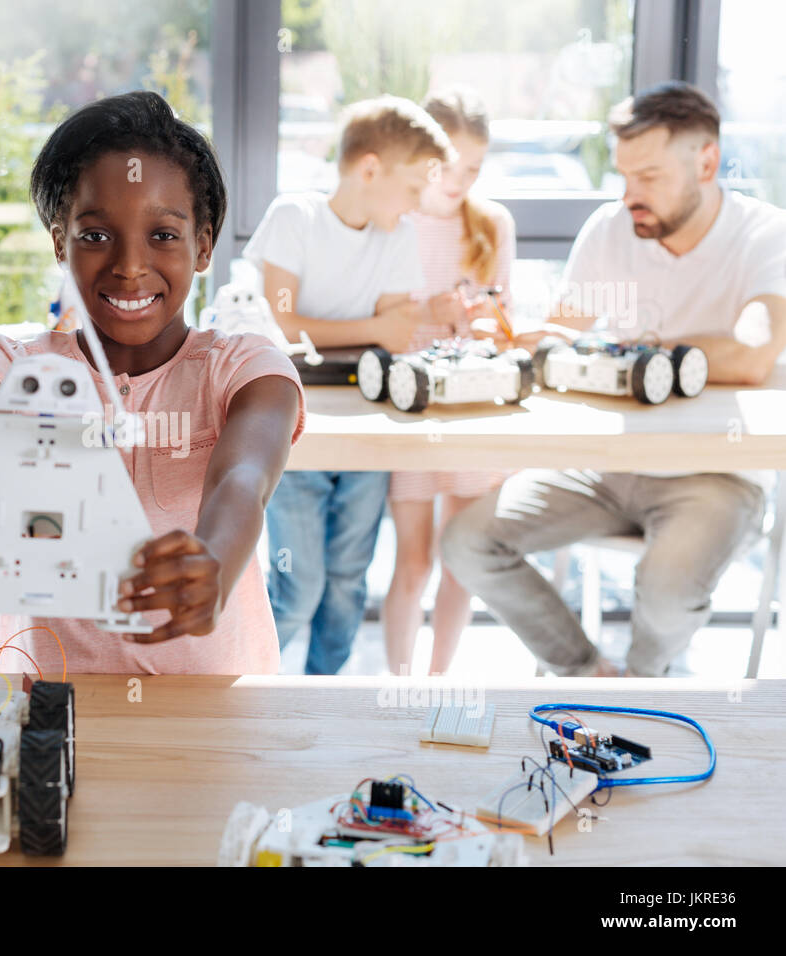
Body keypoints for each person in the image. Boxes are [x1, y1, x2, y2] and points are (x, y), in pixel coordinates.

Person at [0, 91, 304, 674]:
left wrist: (214, 558)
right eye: (95, 235)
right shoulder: (10, 363)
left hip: (217, 706)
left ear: (203, 246)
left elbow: (244, 480)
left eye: (163, 235)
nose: (130, 265)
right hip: (45, 706)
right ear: (60, 242)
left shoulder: (245, 369)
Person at [442, 82, 786, 677]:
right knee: (466, 542)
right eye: (624, 176)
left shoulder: (765, 234)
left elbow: (753, 354)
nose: (631, 195)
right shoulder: (610, 228)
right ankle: (590, 676)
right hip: (604, 462)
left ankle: (644, 685)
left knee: (667, 592)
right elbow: (561, 331)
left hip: (715, 473)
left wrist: (630, 351)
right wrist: (517, 337)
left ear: (707, 161)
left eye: (649, 176)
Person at [242, 95, 453, 674]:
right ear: (368, 168)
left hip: (368, 429)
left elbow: (391, 337)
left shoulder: (397, 238)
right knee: (300, 585)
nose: (418, 204)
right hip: (298, 430)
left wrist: (372, 331)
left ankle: (321, 701)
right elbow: (283, 321)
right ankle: (249, 684)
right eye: (412, 188)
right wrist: (373, 328)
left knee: (345, 585)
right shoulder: (295, 218)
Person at [382, 88, 515, 676]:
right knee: (413, 564)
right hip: (411, 410)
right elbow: (380, 319)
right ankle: (399, 686)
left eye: (475, 169)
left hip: (471, 409)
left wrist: (483, 318)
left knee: (461, 560)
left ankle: (438, 683)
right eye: (448, 166)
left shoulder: (491, 224)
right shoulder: (396, 222)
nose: (461, 180)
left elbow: (504, 321)